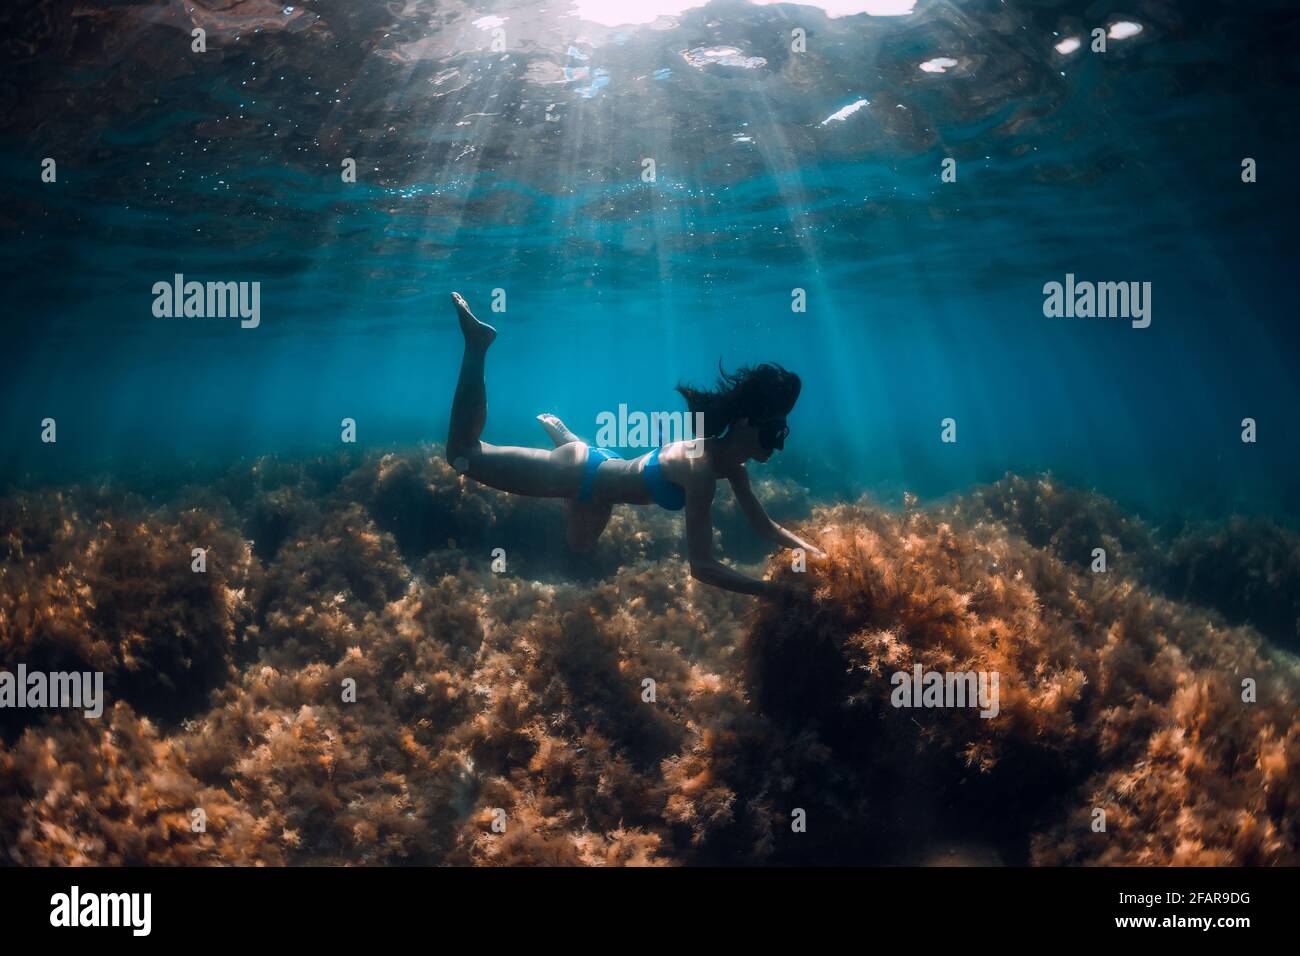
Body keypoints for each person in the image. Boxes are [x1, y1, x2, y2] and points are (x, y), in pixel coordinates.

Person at [445, 291, 824, 598]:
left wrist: (816, 555)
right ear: (745, 423)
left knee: (579, 545)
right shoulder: (701, 472)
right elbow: (702, 568)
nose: (779, 443)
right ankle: (478, 344)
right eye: (774, 431)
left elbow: (764, 525)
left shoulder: (733, 468)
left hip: (603, 483)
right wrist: (776, 593)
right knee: (462, 455)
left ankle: (570, 439)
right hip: (578, 473)